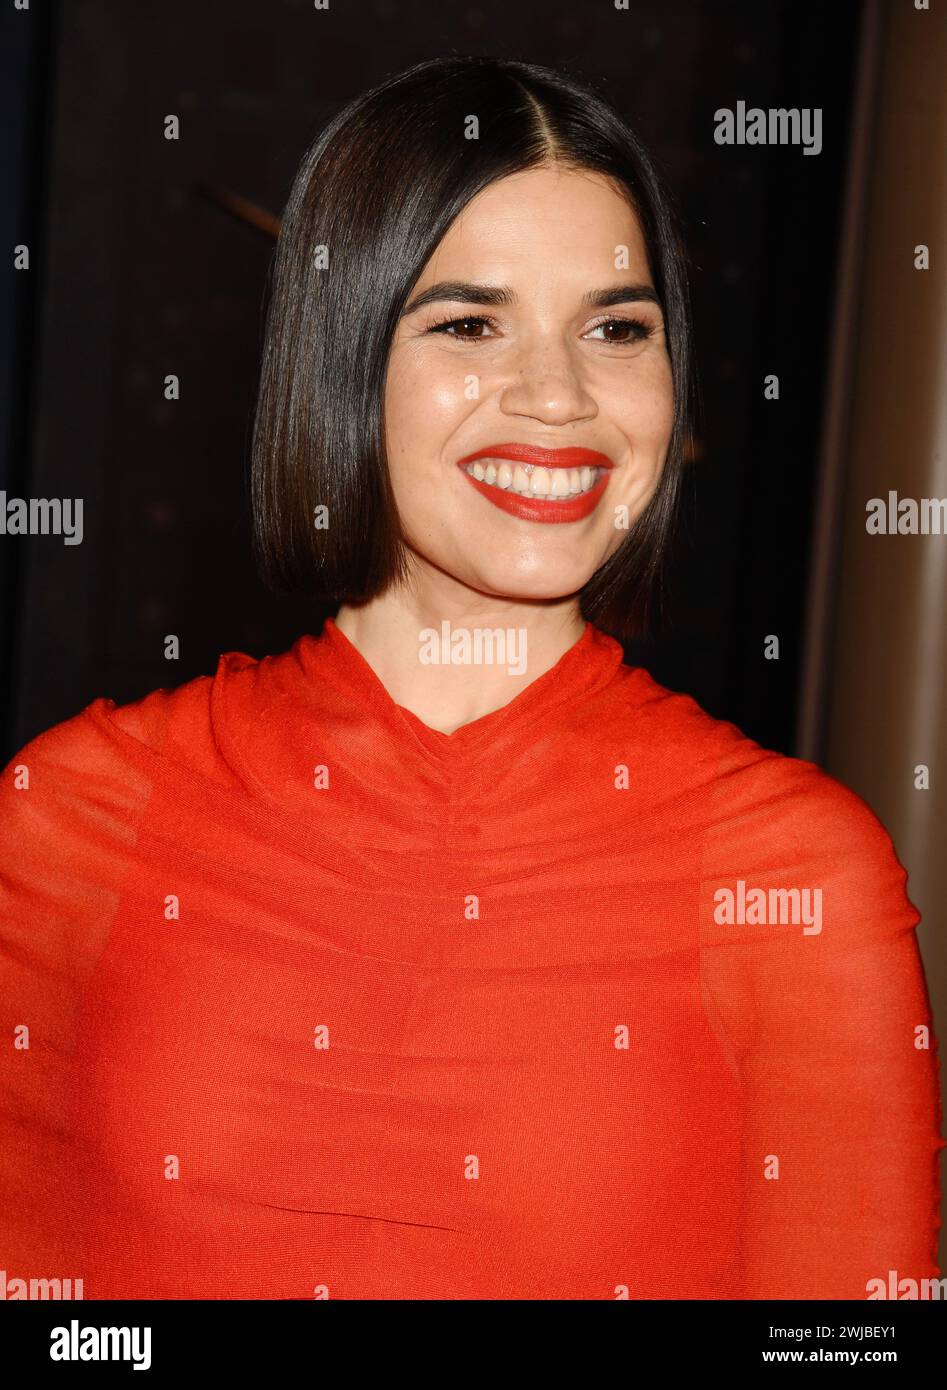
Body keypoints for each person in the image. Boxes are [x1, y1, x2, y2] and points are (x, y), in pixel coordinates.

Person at [0, 55, 942, 1301]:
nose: (555, 396)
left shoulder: (795, 877)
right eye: (466, 322)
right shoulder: (69, 819)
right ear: (338, 362)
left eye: (615, 329)